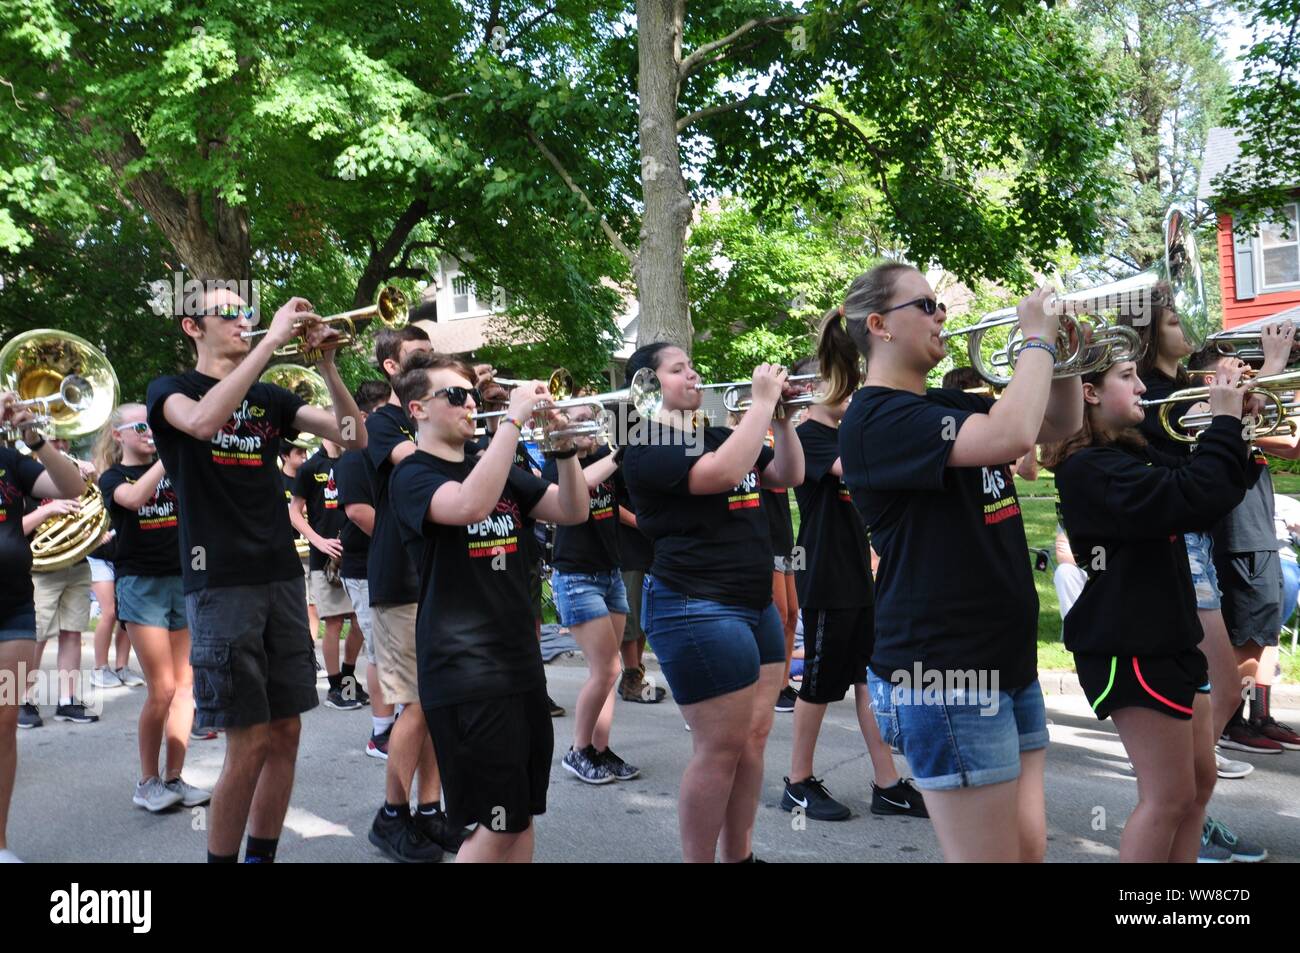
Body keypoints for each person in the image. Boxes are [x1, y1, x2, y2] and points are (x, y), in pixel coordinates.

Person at [825, 265, 1082, 862]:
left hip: (1003, 660)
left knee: (1028, 852)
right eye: (928, 304)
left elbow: (1057, 425)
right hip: (944, 672)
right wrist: (1036, 339)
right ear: (879, 326)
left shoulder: (943, 401)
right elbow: (1011, 435)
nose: (943, 314)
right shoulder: (876, 419)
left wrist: (1066, 354)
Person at [146, 286, 364, 862]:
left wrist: (329, 365)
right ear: (192, 327)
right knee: (248, 741)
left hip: (279, 575)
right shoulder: (171, 391)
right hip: (220, 580)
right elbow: (198, 422)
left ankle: (260, 857)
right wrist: (268, 342)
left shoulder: (268, 397)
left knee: (287, 732)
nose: (245, 320)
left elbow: (352, 437)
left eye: (249, 313)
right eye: (231, 313)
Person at [1044, 356, 1253, 861]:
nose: (1142, 386)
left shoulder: (1128, 453)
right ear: (1089, 393)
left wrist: (1237, 423)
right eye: (1126, 377)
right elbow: (1195, 495)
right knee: (1168, 797)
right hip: (1131, 642)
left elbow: (1216, 483)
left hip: (1168, 634)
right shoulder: (1089, 467)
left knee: (1198, 787)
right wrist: (1222, 420)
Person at [389, 352, 588, 862]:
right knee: (493, 825)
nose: (469, 403)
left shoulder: (491, 464)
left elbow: (572, 510)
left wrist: (562, 447)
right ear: (417, 409)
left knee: (519, 817)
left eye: (471, 395)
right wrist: (514, 421)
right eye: (454, 396)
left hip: (519, 663)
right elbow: (467, 506)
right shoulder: (412, 475)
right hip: (464, 671)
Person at [622, 343, 804, 863]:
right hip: (696, 605)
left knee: (753, 740)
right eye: (678, 369)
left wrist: (784, 420)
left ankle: (739, 857)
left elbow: (787, 475)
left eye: (692, 365)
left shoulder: (722, 434)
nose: (694, 373)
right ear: (649, 387)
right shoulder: (647, 443)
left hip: (754, 606)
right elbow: (721, 475)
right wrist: (763, 404)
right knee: (719, 748)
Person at [1124, 309, 1281, 859]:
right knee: (1222, 684)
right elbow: (1188, 476)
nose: (1187, 321)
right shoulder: (1149, 394)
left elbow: (1230, 480)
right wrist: (1261, 378)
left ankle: (1187, 809)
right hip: (1178, 546)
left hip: (1196, 544)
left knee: (1216, 690)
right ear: (1147, 330)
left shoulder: (1180, 387)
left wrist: (1239, 419)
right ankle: (1177, 808)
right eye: (1172, 316)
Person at [780, 357, 927, 821]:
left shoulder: (845, 435)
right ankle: (797, 783)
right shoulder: (808, 438)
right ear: (810, 388)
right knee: (819, 688)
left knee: (869, 682)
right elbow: (860, 470)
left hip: (859, 578)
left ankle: (886, 785)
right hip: (826, 577)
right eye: (841, 382)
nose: (853, 388)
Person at [362, 326, 459, 861]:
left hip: (436, 578)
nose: (433, 360)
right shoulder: (382, 424)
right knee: (416, 708)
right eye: (420, 357)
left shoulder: (437, 416)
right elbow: (426, 463)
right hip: (399, 581)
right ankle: (391, 815)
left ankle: (429, 810)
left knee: (436, 706)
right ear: (392, 370)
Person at [97, 403, 211, 812]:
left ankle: (175, 779)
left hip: (182, 580)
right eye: (140, 427)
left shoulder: (176, 468)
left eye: (154, 426)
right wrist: (166, 457)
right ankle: (147, 782)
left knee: (185, 688)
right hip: (141, 584)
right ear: (118, 435)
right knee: (161, 688)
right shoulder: (114, 476)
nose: (149, 432)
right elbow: (131, 499)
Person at [0, 390, 87, 861]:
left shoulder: (10, 460)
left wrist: (35, 438)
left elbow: (72, 487)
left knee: (4, 724)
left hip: (12, 609)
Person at [541, 405, 640, 784]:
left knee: (607, 671)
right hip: (576, 576)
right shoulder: (557, 464)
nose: (591, 426)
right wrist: (619, 453)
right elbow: (578, 489)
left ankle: (599, 749)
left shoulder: (605, 456)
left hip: (610, 573)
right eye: (581, 418)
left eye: (594, 419)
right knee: (607, 669)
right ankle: (577, 751)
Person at [20, 437, 100, 727]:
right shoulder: (24, 476)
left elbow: (97, 513)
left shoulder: (74, 475)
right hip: (39, 569)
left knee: (72, 633)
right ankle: (23, 699)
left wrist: (93, 482)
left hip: (76, 565)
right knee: (36, 637)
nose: (61, 446)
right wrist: (46, 510)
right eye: (53, 440)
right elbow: (13, 527)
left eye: (65, 440)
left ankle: (67, 701)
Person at [337, 380, 397, 758]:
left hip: (394, 565)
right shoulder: (353, 458)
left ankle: (402, 719)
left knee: (396, 648)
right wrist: (407, 540)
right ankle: (381, 733)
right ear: (363, 418)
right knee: (378, 651)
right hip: (364, 567)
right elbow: (358, 512)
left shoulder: (394, 452)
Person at [291, 437, 367, 710]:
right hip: (325, 559)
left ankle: (348, 678)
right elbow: (294, 512)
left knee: (360, 620)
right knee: (333, 622)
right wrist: (318, 541)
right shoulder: (311, 467)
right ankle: (335, 687)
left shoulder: (355, 460)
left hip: (356, 555)